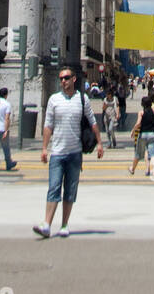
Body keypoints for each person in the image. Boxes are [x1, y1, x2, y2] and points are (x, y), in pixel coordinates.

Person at [34, 67, 103, 238]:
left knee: (70, 190)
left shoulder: (82, 99)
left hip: (75, 153)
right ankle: (47, 224)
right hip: (57, 152)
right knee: (54, 188)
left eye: (66, 78)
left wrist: (100, 143)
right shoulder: (54, 100)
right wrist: (44, 148)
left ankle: (64, 224)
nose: (63, 81)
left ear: (73, 79)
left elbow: (92, 121)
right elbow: (48, 125)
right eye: (61, 78)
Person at [129, 93, 154, 178]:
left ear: (142, 104)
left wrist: (133, 130)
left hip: (143, 135)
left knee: (138, 154)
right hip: (152, 134)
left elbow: (138, 123)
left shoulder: (141, 113)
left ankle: (132, 169)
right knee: (153, 154)